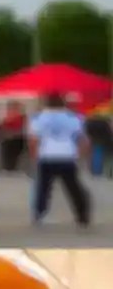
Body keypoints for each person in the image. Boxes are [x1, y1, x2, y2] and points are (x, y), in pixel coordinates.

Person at [28, 93, 90, 227]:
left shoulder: (39, 118)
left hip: (47, 155)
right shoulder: (73, 117)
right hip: (67, 155)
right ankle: (82, 215)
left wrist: (34, 155)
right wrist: (81, 155)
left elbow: (33, 140)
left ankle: (40, 214)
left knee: (43, 187)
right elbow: (82, 139)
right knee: (73, 187)